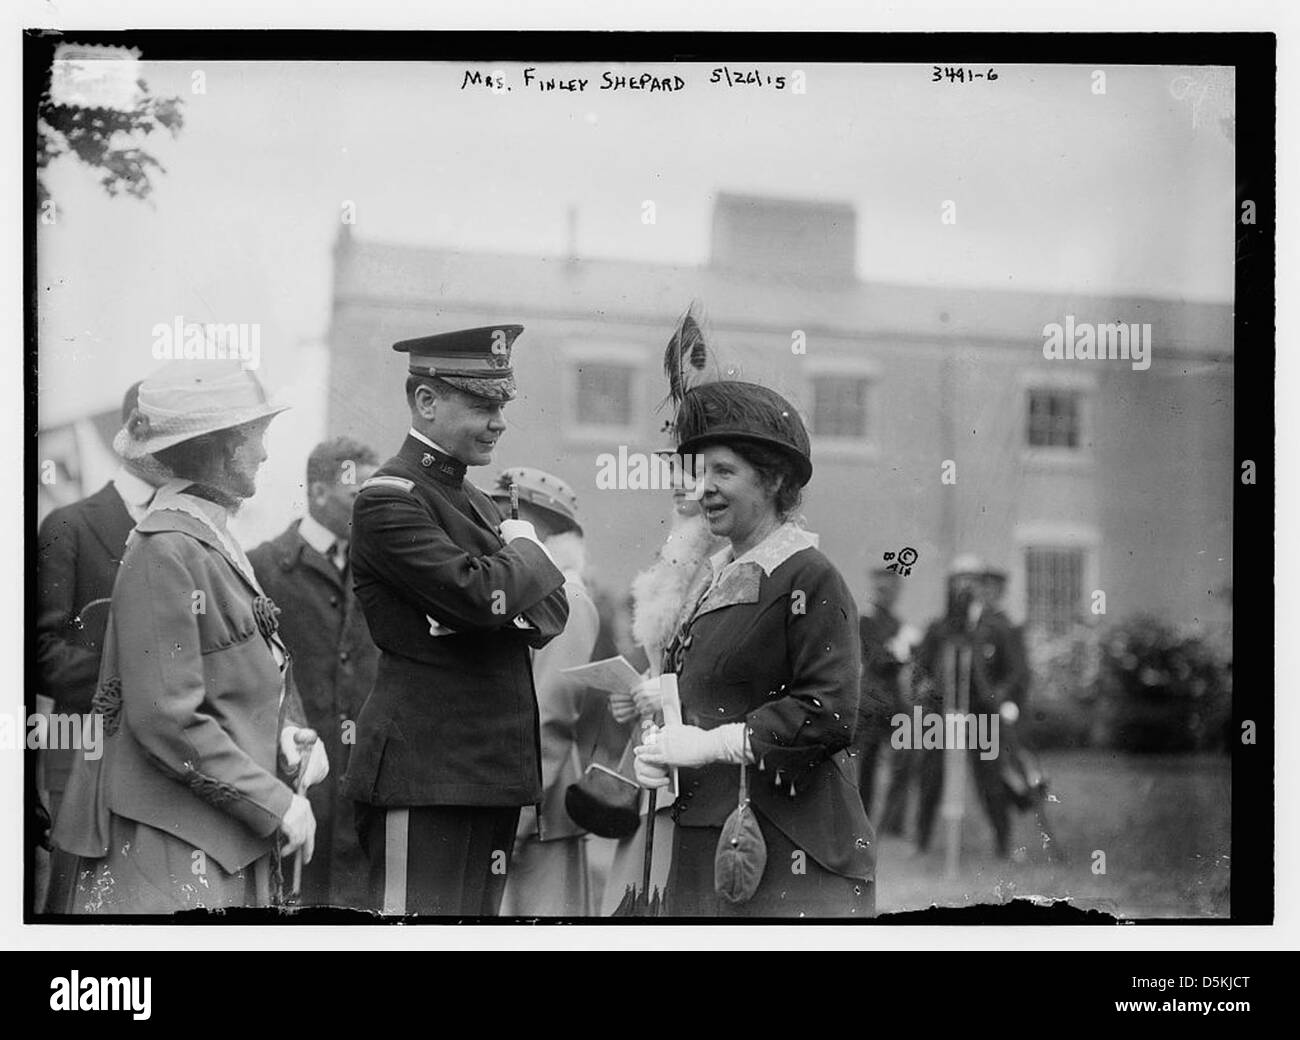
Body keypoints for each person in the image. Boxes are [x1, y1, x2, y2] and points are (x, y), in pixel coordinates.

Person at [52, 361, 325, 913]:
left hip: (206, 835)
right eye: (256, 439)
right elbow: (167, 719)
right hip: (171, 848)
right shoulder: (166, 547)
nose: (265, 454)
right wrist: (276, 803)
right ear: (223, 449)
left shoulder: (200, 539)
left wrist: (283, 735)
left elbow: (225, 682)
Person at [343, 325, 570, 917]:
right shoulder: (389, 499)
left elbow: (551, 611)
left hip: (488, 774)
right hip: (423, 774)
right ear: (426, 402)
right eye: (483, 405)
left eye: (501, 406)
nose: (499, 422)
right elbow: (478, 599)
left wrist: (495, 590)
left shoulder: (480, 502)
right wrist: (524, 556)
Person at [631, 378, 875, 917]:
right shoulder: (712, 579)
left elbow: (829, 710)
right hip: (707, 837)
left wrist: (711, 745)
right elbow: (699, 689)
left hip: (786, 846)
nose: (702, 489)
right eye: (700, 472)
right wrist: (659, 754)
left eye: (724, 471)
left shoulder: (809, 576)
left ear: (774, 480)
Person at [35, 381, 161, 913]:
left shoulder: (189, 530)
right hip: (87, 750)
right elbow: (40, 653)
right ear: (136, 430)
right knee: (79, 903)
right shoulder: (69, 525)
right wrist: (137, 682)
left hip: (166, 758)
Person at [248, 436, 380, 908]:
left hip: (362, 788)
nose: (368, 508)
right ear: (320, 493)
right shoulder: (261, 566)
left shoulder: (380, 571)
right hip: (291, 783)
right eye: (356, 496)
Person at [490, 467, 600, 917]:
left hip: (538, 818)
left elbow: (548, 720)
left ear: (545, 531)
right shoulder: (534, 595)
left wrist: (514, 820)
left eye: (508, 517)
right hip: (520, 806)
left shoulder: (567, 600)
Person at [913, 555, 1029, 858]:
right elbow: (920, 669)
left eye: (971, 580)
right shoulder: (938, 628)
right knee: (931, 776)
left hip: (981, 714)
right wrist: (924, 691)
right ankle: (921, 842)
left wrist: (997, 697)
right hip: (942, 714)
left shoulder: (995, 628)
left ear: (981, 585)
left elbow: (1014, 671)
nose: (964, 587)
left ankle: (1003, 843)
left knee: (990, 778)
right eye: (958, 580)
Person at [852, 566, 918, 833]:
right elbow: (876, 659)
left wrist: (906, 650)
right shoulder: (864, 622)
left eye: (891, 589)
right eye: (881, 589)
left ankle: (893, 823)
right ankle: (862, 819)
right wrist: (900, 651)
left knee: (908, 756)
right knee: (866, 763)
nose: (886, 594)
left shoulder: (897, 623)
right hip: (871, 699)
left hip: (894, 701)